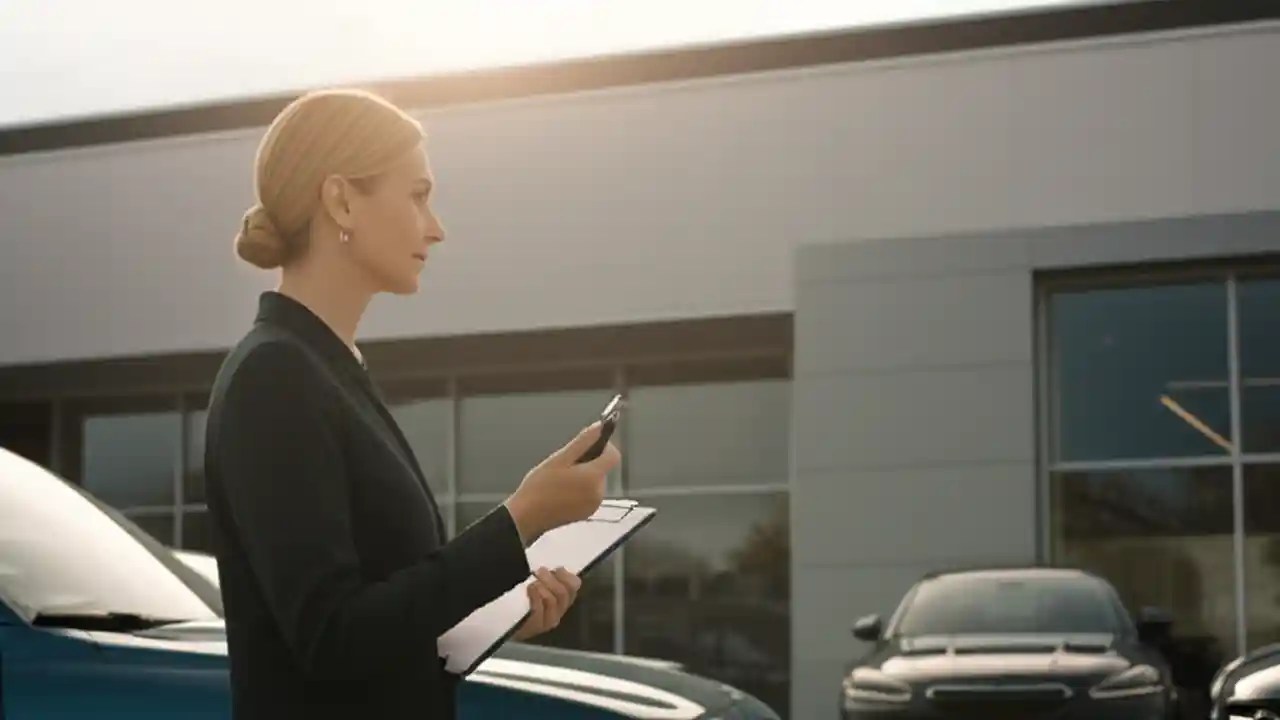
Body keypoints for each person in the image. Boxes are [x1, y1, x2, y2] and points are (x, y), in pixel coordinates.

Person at [203, 88, 621, 720]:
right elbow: (334, 640)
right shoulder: (276, 376)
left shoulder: (328, 371)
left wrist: (491, 616)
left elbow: (375, 624)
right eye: (418, 194)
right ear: (342, 198)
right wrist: (522, 519)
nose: (437, 226)